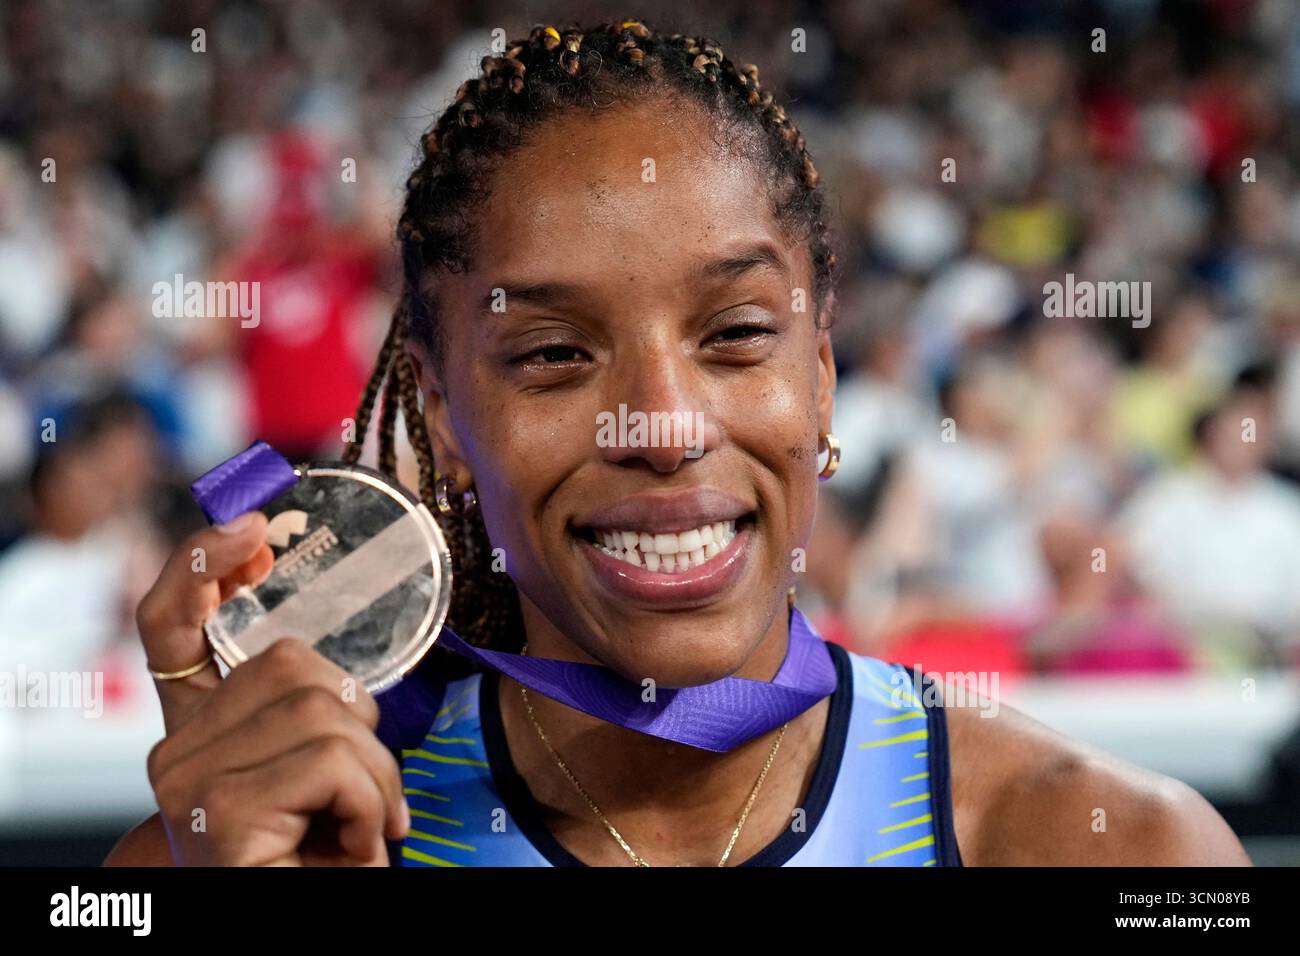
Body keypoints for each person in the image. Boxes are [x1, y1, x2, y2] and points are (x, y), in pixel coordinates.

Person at [105, 20, 1248, 867]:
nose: (663, 424)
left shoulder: (1114, 847)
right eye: (553, 352)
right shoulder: (225, 853)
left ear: (820, 375)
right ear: (444, 412)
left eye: (738, 333)